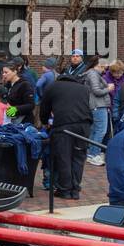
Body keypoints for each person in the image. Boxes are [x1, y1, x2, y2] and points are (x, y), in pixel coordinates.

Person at [40, 68, 93, 199]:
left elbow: (44, 108)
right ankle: (75, 190)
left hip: (64, 126)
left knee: (64, 157)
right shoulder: (83, 88)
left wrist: (44, 122)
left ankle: (65, 189)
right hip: (84, 126)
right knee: (78, 158)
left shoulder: (52, 86)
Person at [83, 55, 114, 165]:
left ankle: (91, 153)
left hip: (96, 105)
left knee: (95, 130)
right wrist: (108, 88)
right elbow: (96, 91)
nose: (106, 66)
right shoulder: (93, 74)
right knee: (100, 131)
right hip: (98, 105)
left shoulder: (91, 73)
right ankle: (93, 154)